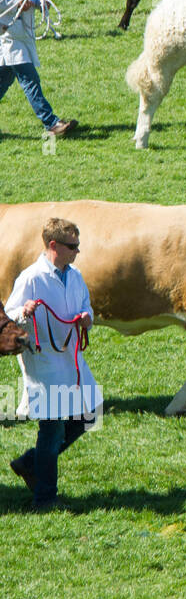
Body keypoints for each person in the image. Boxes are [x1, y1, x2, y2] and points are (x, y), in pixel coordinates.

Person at [6, 217, 99, 511]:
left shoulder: (76, 276)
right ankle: (45, 498)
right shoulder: (31, 278)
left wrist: (87, 318)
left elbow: (86, 306)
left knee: (89, 414)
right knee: (53, 430)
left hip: (70, 358)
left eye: (78, 246)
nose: (77, 252)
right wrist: (24, 310)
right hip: (44, 362)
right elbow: (8, 317)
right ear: (53, 245)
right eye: (72, 246)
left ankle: (31, 463)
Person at [1, 0, 78, 138]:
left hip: (23, 35)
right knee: (30, 79)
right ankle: (51, 123)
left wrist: (40, 2)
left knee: (3, 81)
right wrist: (15, 4)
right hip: (9, 35)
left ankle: (51, 123)